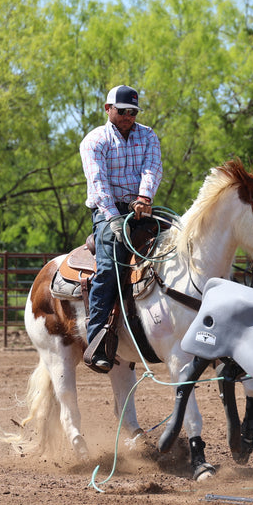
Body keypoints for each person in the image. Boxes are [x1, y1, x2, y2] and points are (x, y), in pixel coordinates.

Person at [79, 85, 163, 372]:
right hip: (107, 211)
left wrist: (144, 197)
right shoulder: (94, 141)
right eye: (122, 111)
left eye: (133, 112)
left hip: (140, 207)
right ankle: (98, 341)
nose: (128, 116)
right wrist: (114, 218)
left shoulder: (148, 135)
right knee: (109, 266)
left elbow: (152, 168)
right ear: (108, 109)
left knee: (177, 243)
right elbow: (98, 183)